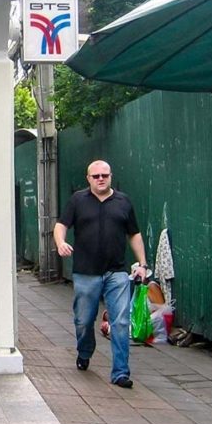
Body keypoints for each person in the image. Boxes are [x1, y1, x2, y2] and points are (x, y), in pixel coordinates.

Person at [53, 159, 148, 389]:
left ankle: (120, 373)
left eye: (104, 175)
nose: (100, 179)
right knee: (84, 320)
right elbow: (61, 225)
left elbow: (133, 234)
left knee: (121, 322)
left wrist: (143, 263)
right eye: (96, 176)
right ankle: (84, 351)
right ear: (88, 179)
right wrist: (60, 243)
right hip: (86, 273)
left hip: (116, 272)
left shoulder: (123, 202)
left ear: (111, 176)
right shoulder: (78, 200)